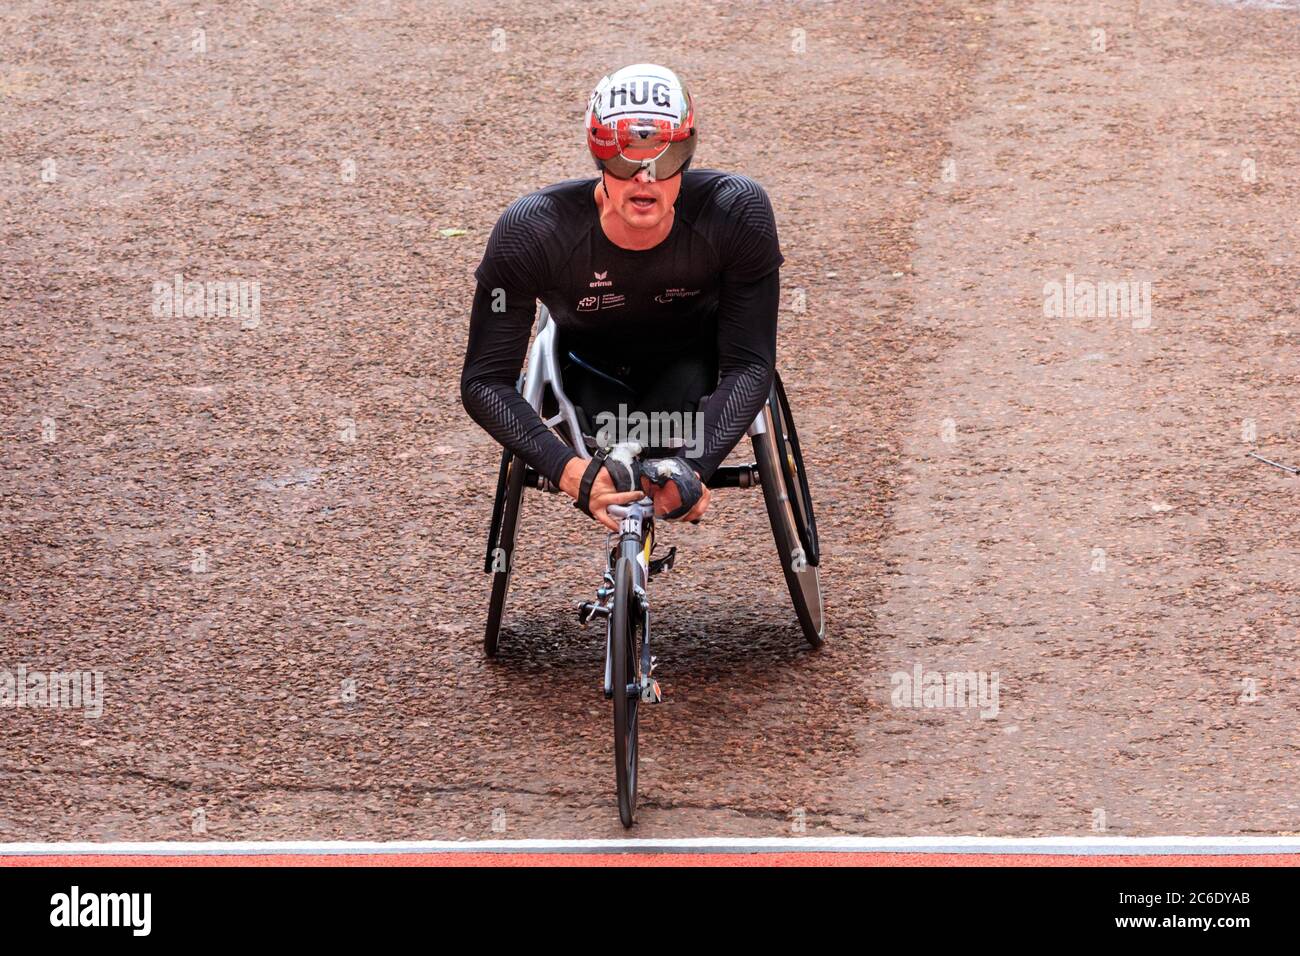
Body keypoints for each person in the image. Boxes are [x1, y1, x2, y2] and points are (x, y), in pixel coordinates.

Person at [460, 63, 783, 531]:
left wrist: (693, 467)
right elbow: (485, 381)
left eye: (664, 159)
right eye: (626, 160)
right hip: (587, 376)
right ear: (599, 158)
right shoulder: (532, 232)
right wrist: (572, 472)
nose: (645, 178)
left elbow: (752, 364)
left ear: (687, 157)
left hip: (694, 375)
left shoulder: (737, 212)